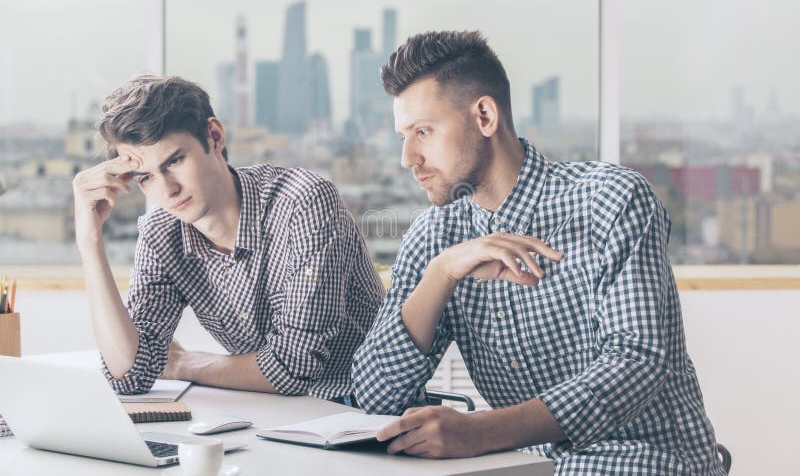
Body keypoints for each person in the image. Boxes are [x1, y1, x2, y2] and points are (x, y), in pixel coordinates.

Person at [351, 31, 725, 474]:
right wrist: (442, 273)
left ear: (485, 116)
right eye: (403, 137)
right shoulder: (435, 237)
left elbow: (635, 363)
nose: (407, 157)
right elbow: (374, 398)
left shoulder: (612, 200)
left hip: (648, 461)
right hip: (528, 466)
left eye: (423, 132)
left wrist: (479, 432)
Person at [73, 75, 384, 403]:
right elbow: (130, 375)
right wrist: (89, 239)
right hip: (273, 416)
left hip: (368, 412)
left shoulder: (303, 202)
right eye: (146, 177)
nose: (167, 190)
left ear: (214, 136)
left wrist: (186, 364)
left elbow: (293, 368)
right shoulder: (161, 234)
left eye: (175, 161)